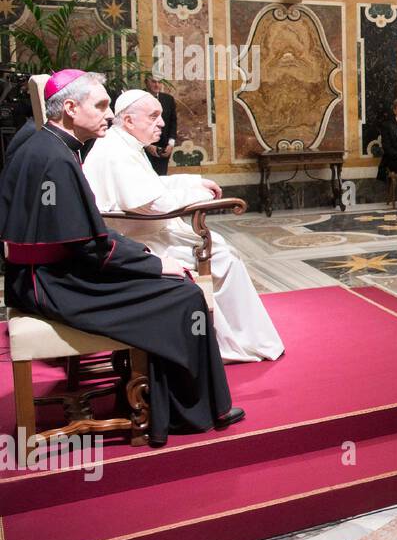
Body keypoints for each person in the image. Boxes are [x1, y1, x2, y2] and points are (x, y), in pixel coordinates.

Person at [0, 69, 240, 444]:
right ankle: (184, 410)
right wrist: (155, 262)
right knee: (184, 293)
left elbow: (85, 233)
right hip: (52, 281)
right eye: (99, 106)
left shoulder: (42, 142)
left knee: (172, 285)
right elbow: (88, 244)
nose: (109, 115)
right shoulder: (56, 158)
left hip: (41, 274)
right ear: (69, 108)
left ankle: (179, 401)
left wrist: (141, 256)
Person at [84, 89, 285, 363]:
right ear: (129, 121)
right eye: (153, 116)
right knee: (224, 259)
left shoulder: (123, 144)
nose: (162, 123)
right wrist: (199, 196)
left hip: (143, 232)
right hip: (139, 242)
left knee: (224, 253)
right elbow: (151, 204)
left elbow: (148, 186)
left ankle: (239, 340)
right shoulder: (115, 152)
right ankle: (231, 345)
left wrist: (192, 182)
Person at [143, 76, 178, 175]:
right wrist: (147, 145)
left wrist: (171, 144)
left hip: (164, 148)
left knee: (161, 177)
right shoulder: (138, 98)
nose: (157, 85)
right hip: (144, 147)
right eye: (153, 82)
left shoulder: (168, 99)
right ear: (146, 82)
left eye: (159, 82)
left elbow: (173, 122)